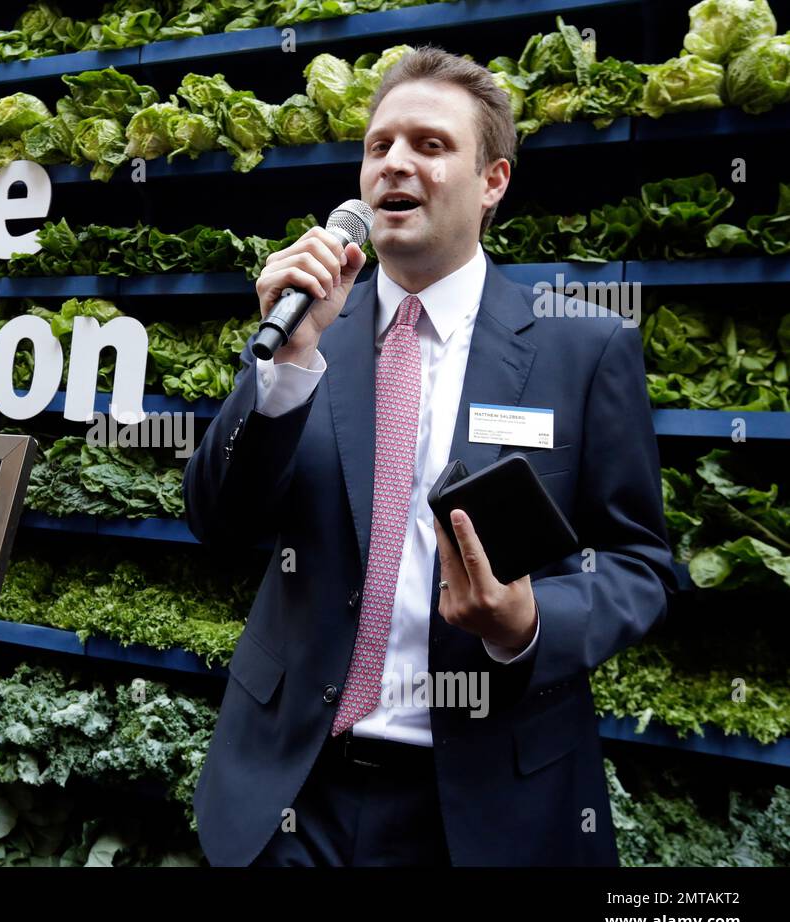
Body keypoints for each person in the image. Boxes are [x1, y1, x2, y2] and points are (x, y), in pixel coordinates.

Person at [183, 46, 675, 866]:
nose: (395, 164)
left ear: (493, 182)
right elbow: (220, 523)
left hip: (482, 808)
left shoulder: (582, 347)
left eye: (431, 145)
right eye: (379, 147)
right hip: (294, 794)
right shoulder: (308, 329)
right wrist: (282, 372)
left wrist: (529, 625)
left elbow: (640, 564)